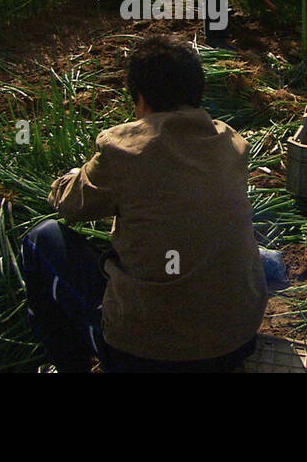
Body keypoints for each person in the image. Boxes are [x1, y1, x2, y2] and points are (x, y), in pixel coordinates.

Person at [19, 34, 266, 373]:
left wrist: (72, 176)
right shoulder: (231, 143)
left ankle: (68, 363)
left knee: (40, 240)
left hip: (149, 355)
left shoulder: (124, 150)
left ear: (141, 98)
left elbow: (69, 205)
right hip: (236, 340)